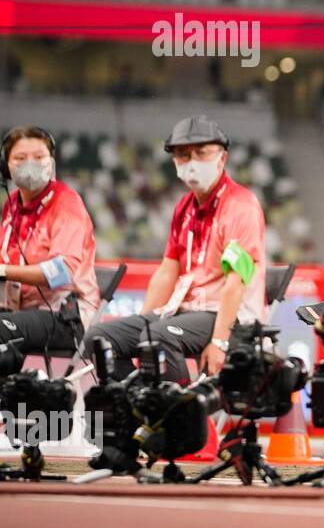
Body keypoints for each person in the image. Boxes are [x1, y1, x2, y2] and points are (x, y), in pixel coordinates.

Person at [86, 116, 265, 383]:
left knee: (158, 336)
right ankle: (135, 406)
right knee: (98, 338)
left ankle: (180, 416)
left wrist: (220, 342)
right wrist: (143, 320)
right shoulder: (184, 207)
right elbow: (167, 272)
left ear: (222, 159)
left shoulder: (241, 206)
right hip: (184, 312)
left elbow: (236, 282)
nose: (192, 162)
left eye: (201, 153)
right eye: (183, 155)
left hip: (227, 316)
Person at [0, 126, 100, 368]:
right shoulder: (12, 204)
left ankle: (15, 394)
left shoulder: (67, 203)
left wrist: (3, 271)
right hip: (18, 309)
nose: (30, 164)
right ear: (7, 167)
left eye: (39, 157)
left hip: (65, 315)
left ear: (51, 163)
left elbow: (61, 273)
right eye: (20, 158)